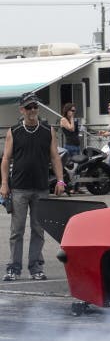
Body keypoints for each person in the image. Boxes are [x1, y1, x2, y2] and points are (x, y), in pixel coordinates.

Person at [0, 92, 66, 281]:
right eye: (28, 107)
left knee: (38, 229)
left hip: (41, 187)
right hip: (19, 188)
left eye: (35, 106)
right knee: (17, 230)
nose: (32, 110)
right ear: (21, 109)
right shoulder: (14, 131)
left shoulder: (48, 130)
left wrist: (60, 180)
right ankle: (13, 267)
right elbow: (5, 159)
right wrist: (4, 184)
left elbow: (54, 157)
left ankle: (36, 267)